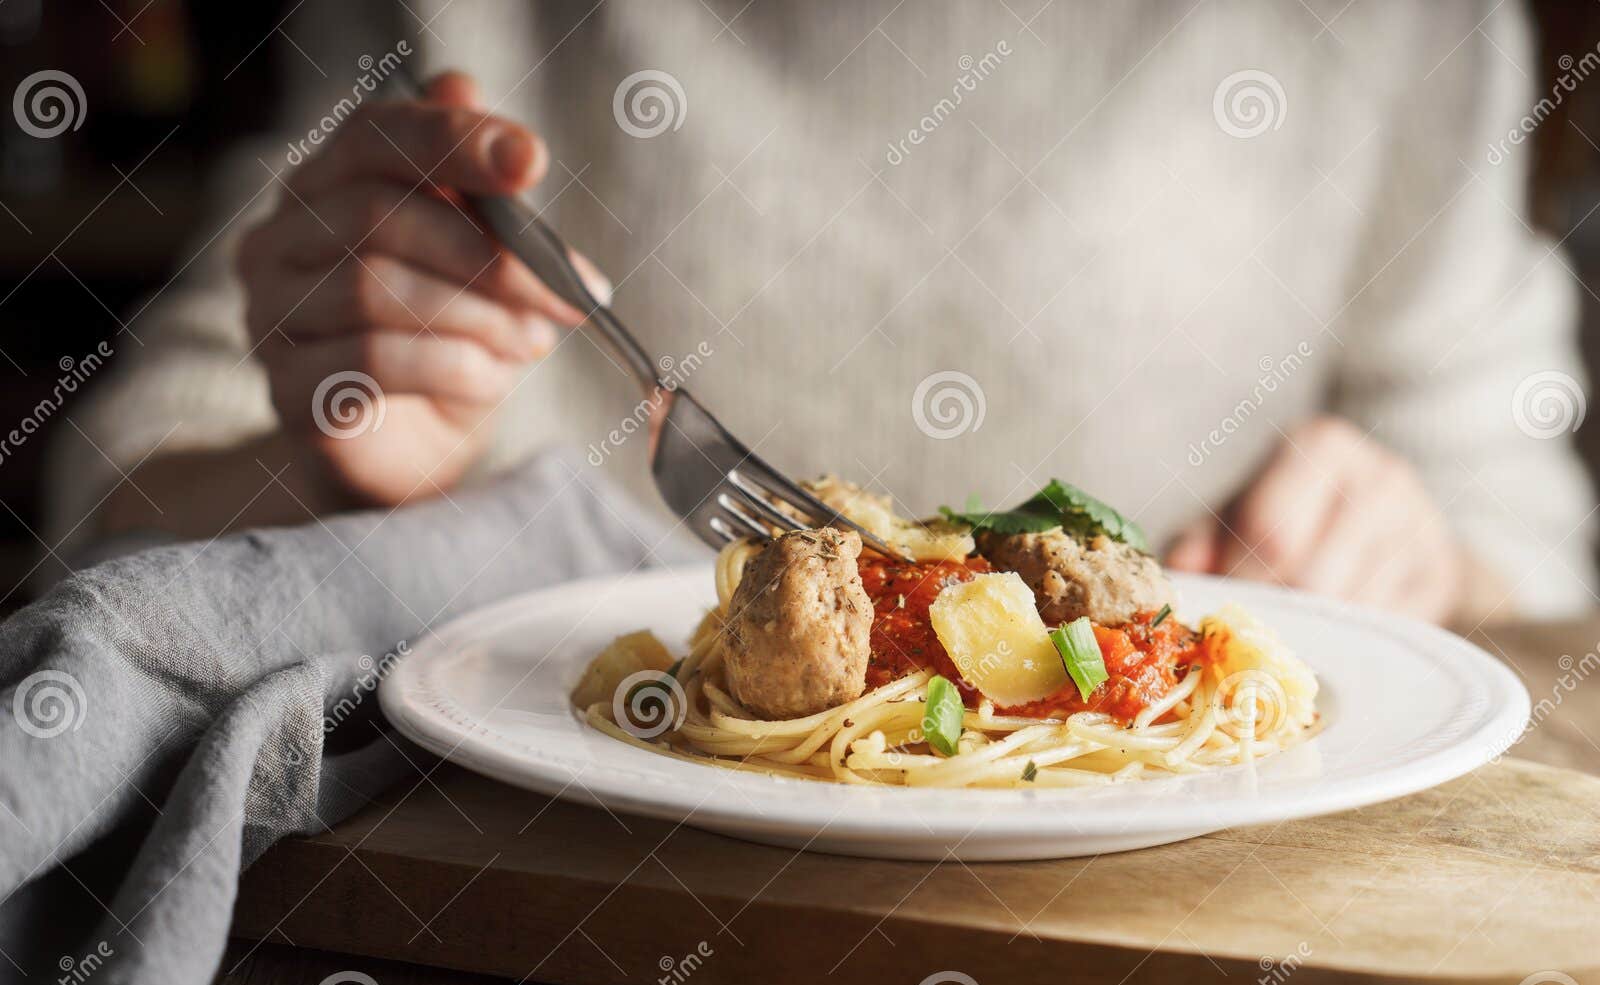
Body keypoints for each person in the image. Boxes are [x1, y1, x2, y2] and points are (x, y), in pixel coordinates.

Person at [45, 0, 1597, 624]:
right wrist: (325, 460)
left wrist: (1419, 552)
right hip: (542, 909)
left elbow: (1522, 524)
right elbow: (118, 530)